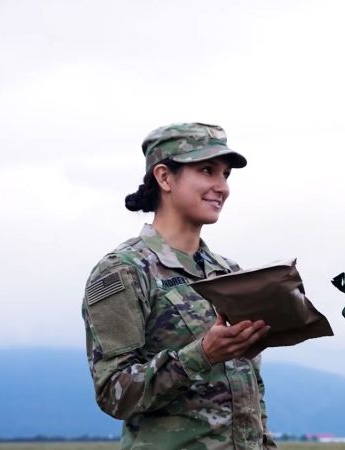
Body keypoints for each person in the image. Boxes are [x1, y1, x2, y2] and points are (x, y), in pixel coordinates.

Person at [82, 123, 278, 449]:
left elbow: (248, 392)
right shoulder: (123, 271)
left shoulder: (230, 273)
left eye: (226, 174)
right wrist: (202, 354)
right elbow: (114, 393)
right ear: (164, 177)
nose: (222, 187)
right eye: (206, 170)